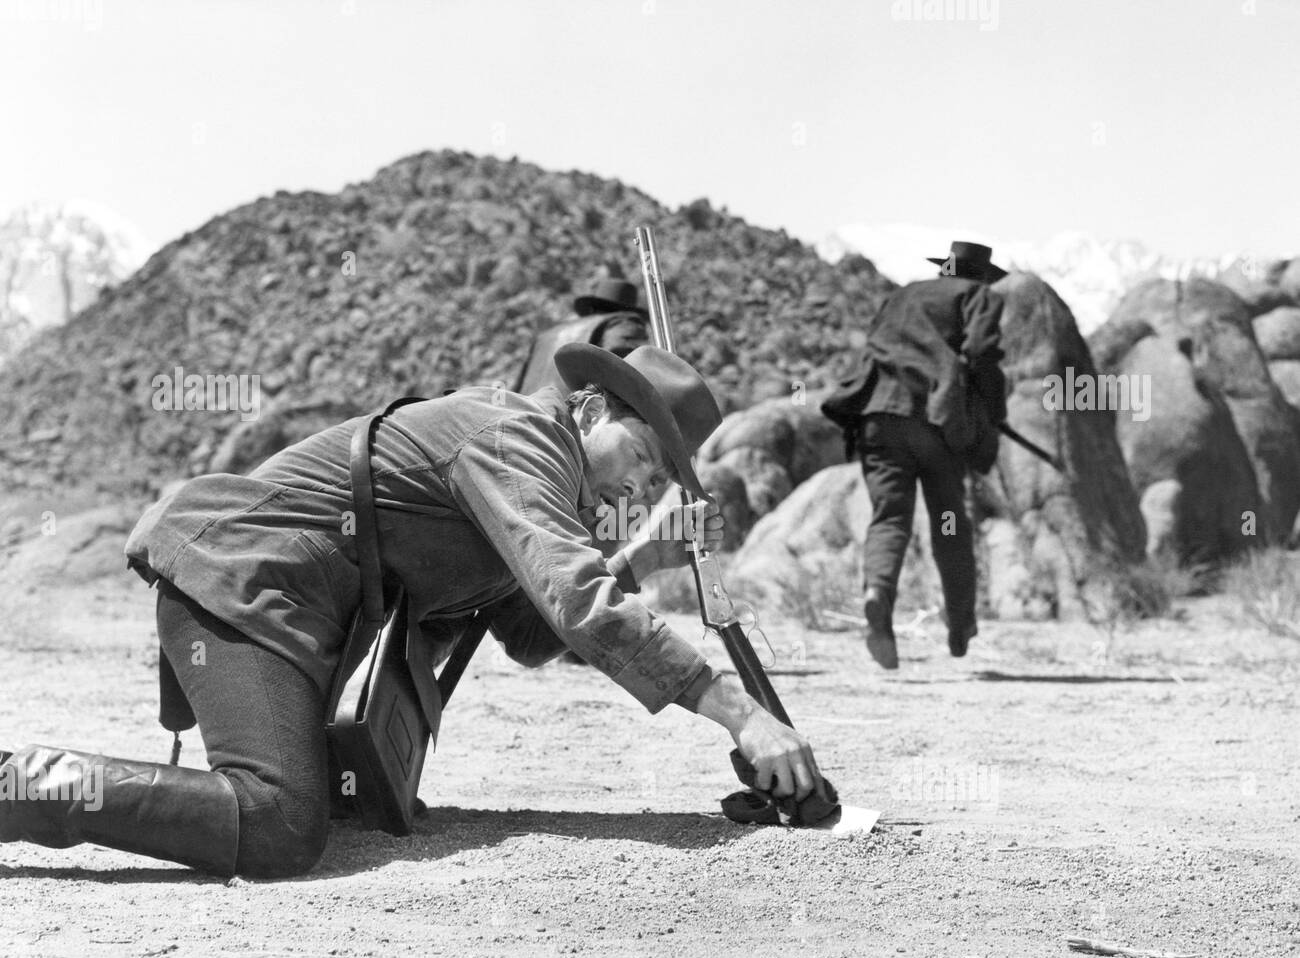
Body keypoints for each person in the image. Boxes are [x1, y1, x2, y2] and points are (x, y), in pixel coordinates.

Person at [1, 345, 826, 878]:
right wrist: (736, 711)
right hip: (247, 576)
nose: (634, 489)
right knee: (278, 824)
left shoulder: (542, 489)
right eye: (641, 457)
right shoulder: (519, 441)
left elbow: (535, 633)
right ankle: (16, 786)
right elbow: (579, 603)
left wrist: (641, 554)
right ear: (590, 411)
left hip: (290, 606)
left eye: (651, 485)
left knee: (325, 808)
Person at [823, 240, 1008, 670]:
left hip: (878, 419)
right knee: (947, 521)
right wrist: (991, 413)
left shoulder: (903, 294)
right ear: (979, 274)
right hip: (934, 426)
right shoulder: (977, 295)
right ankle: (960, 622)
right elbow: (981, 355)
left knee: (889, 517)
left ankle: (877, 596)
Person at [513, 266, 649, 394]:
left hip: (526, 414)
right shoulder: (624, 321)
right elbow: (624, 377)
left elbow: (517, 386)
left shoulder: (545, 336)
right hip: (571, 414)